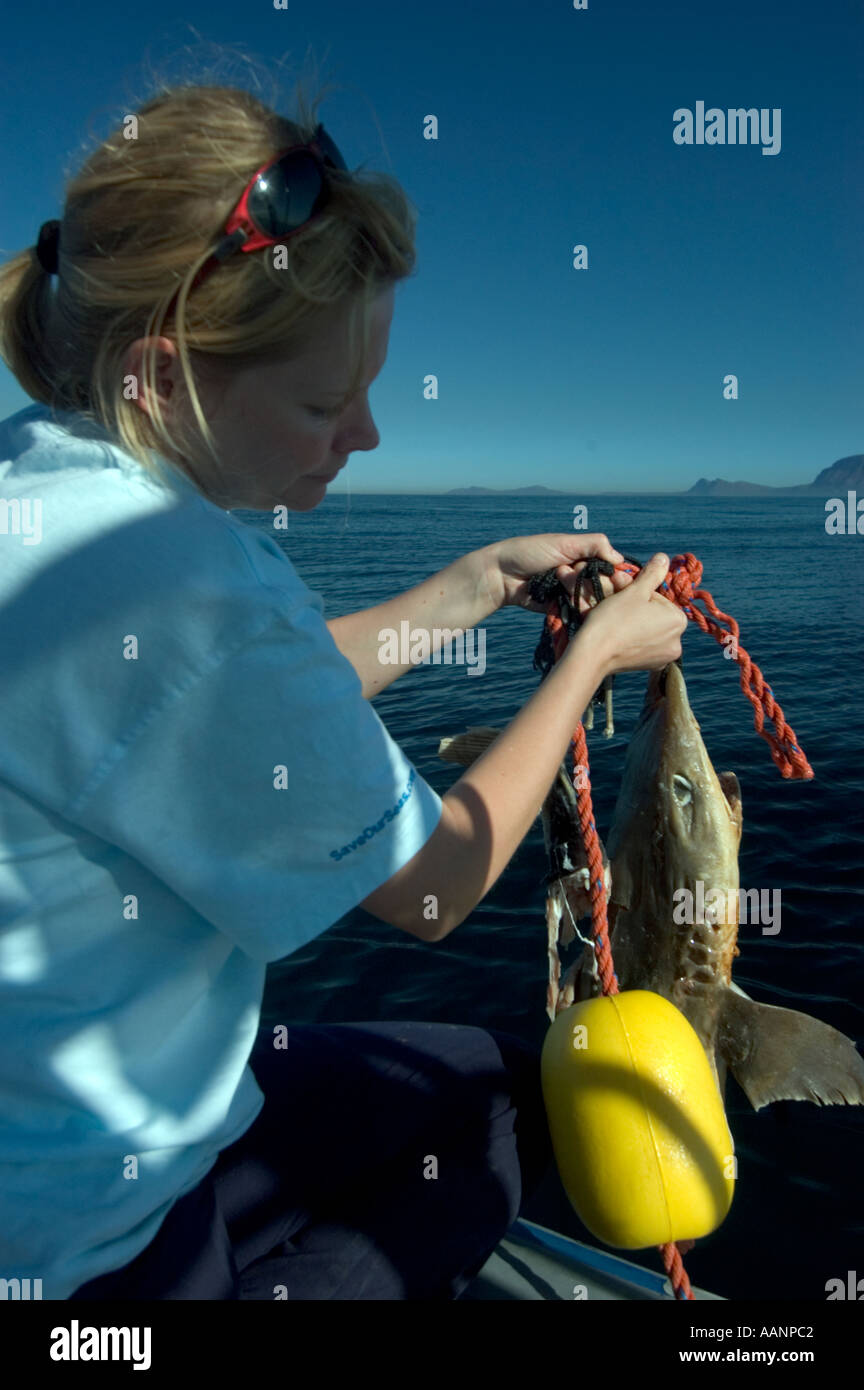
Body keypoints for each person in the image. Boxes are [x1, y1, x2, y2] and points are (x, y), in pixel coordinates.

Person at [0, 81, 686, 1301]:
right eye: (325, 401)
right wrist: (589, 662)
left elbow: (224, 698)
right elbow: (432, 889)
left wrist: (471, 585)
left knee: (482, 1089)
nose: (366, 434)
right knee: (494, 1120)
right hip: (88, 1248)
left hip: (45, 1130)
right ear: (164, 376)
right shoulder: (191, 592)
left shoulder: (52, 493)